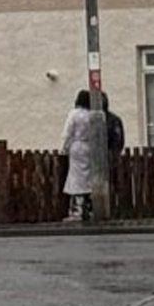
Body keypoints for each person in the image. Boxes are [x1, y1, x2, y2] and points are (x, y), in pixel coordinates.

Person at [62, 90, 95, 222]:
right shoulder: (91, 115)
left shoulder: (74, 114)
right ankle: (88, 207)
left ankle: (77, 209)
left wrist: (64, 148)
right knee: (88, 177)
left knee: (76, 178)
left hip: (77, 146)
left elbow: (68, 132)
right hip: (89, 146)